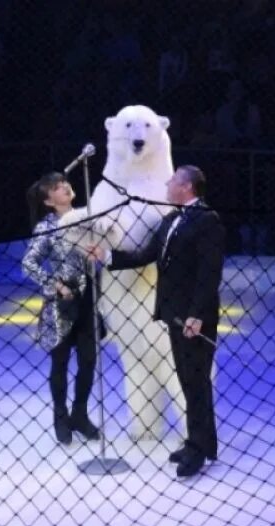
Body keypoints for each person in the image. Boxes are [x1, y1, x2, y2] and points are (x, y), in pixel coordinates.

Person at [87, 165, 225, 478]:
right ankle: (200, 441)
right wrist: (108, 257)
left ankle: (198, 450)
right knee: (188, 380)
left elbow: (209, 273)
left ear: (187, 186)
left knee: (196, 381)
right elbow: (147, 254)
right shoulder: (171, 219)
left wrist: (197, 314)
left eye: (174, 179)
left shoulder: (207, 221)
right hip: (173, 313)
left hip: (193, 316)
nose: (167, 182)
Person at [22, 172, 102, 445]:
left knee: (89, 360)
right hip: (62, 302)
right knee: (61, 362)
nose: (65, 187)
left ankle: (79, 413)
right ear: (48, 201)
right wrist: (55, 284)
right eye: (56, 187)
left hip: (88, 297)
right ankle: (60, 415)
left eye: (65, 183)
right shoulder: (47, 227)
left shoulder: (85, 217)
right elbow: (28, 263)